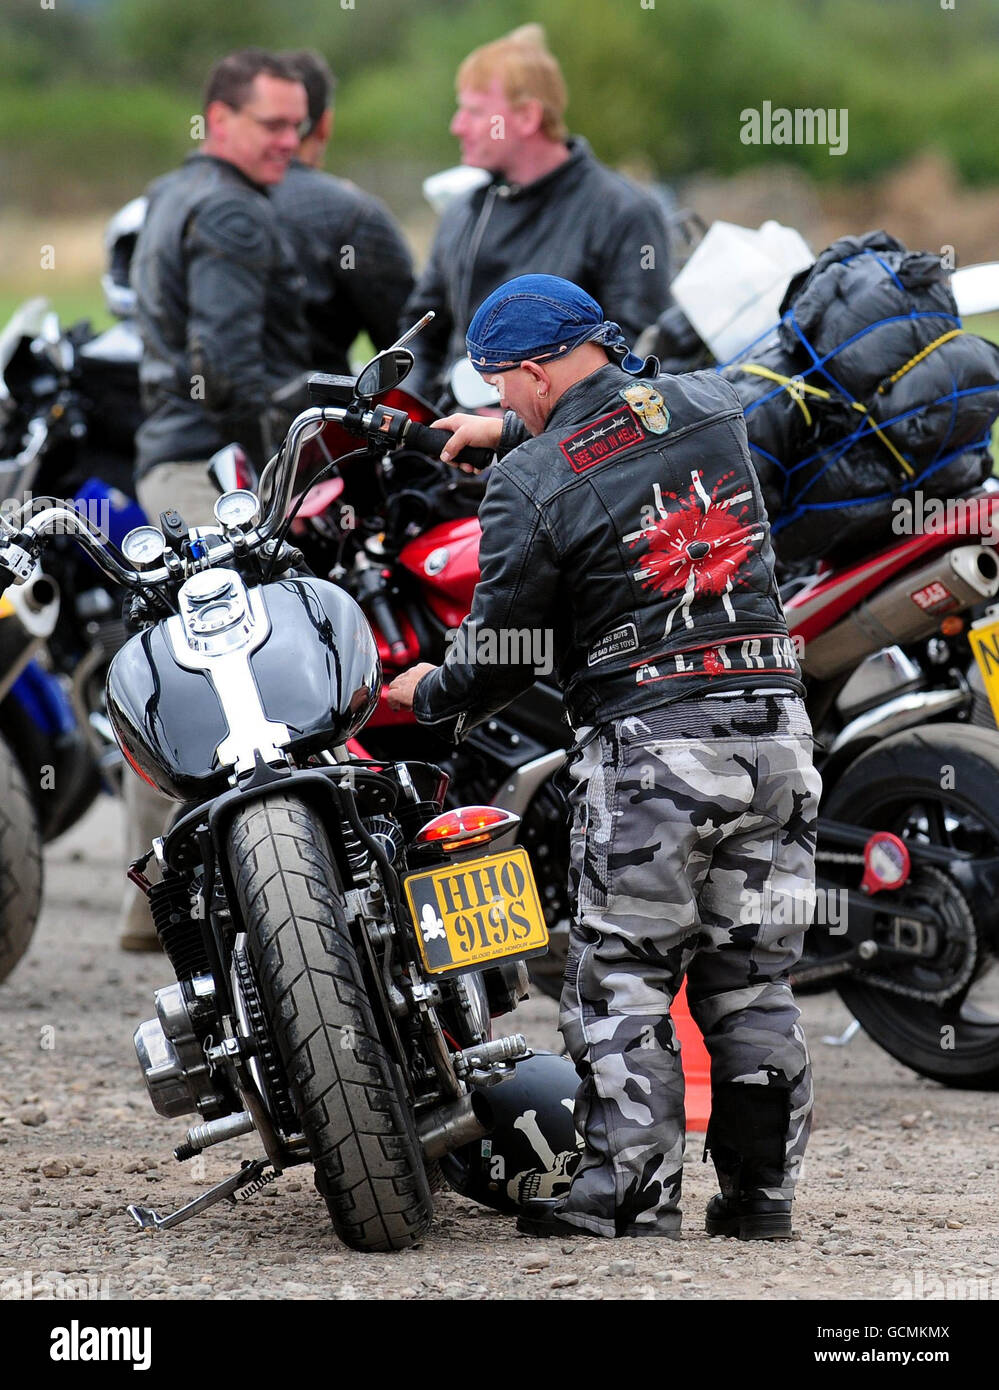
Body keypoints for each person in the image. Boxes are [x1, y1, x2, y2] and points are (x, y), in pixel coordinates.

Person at [387, 274, 821, 1241]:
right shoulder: (713, 405)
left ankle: (626, 1198)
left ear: (535, 370)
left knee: (618, 975)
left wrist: (431, 692)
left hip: (658, 747)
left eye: (503, 386)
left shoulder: (529, 485)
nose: (500, 402)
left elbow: (501, 654)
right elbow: (638, 415)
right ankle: (759, 1201)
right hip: (777, 734)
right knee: (750, 980)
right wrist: (516, 432)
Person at [121, 48, 310, 950]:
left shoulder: (172, 191)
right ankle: (186, 916)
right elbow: (224, 364)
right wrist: (311, 419)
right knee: (229, 679)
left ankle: (149, 909)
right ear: (219, 118)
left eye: (299, 123)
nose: (291, 141)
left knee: (174, 671)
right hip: (211, 469)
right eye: (272, 124)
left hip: (166, 461)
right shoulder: (234, 208)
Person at [402, 25, 672, 404]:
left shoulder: (624, 212)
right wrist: (405, 412)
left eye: (475, 111)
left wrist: (514, 426)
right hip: (450, 438)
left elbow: (637, 357)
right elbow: (421, 336)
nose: (457, 126)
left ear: (528, 116)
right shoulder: (463, 213)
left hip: (567, 450)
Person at [271, 50, 415, 375]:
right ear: (326, 123)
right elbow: (405, 345)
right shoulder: (351, 214)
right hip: (311, 419)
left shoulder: (174, 195)